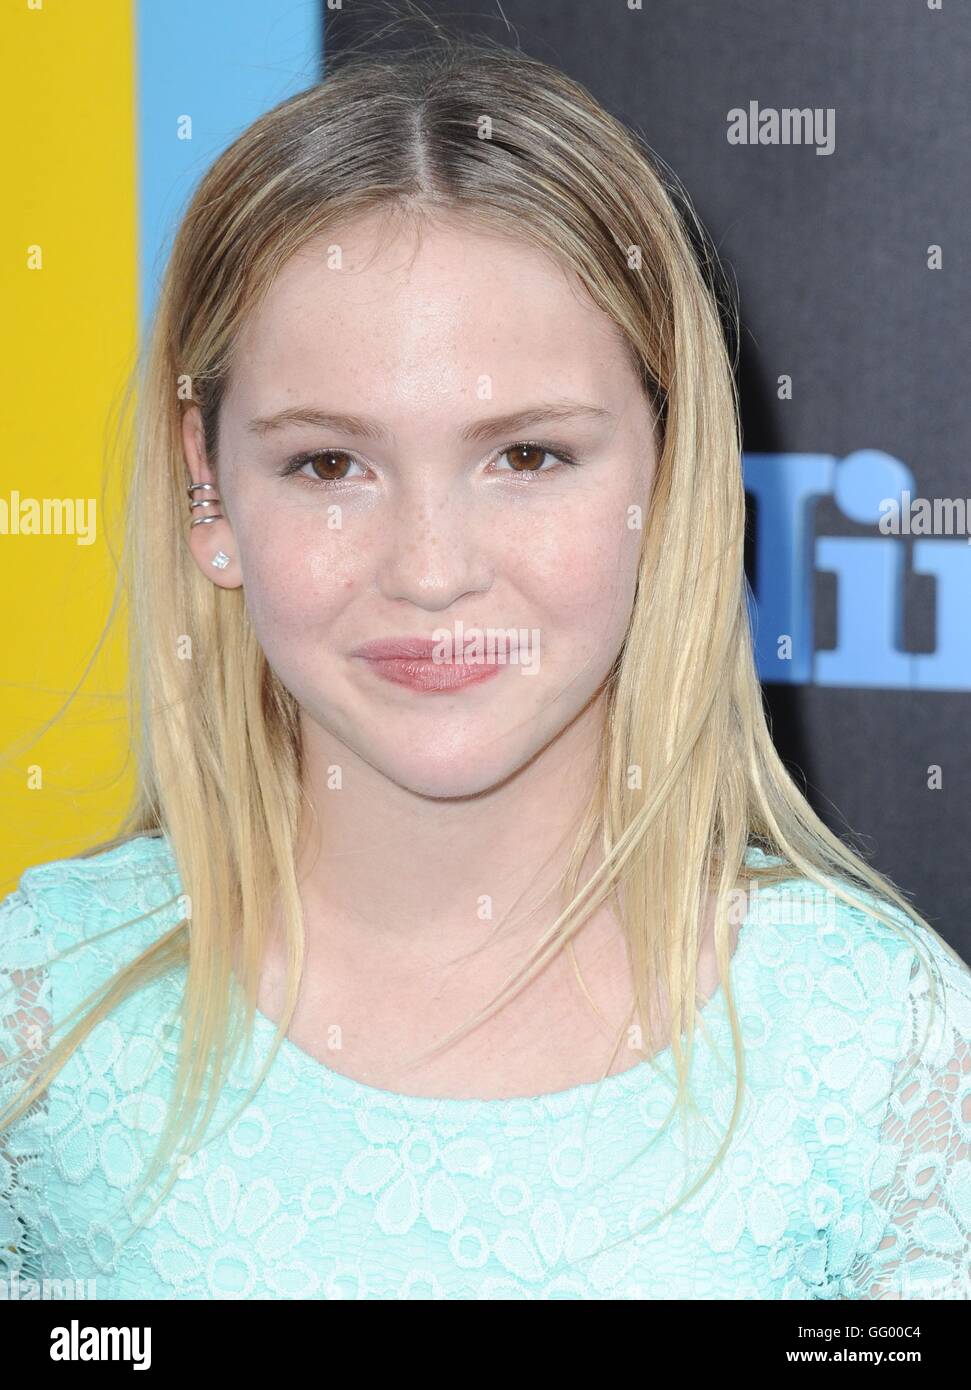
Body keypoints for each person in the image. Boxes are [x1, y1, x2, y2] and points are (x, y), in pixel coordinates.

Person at [2, 32, 969, 1302]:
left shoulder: (881, 1042)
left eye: (526, 456)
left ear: (670, 475)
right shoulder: (40, 1013)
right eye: (327, 464)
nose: (430, 566)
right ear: (207, 488)